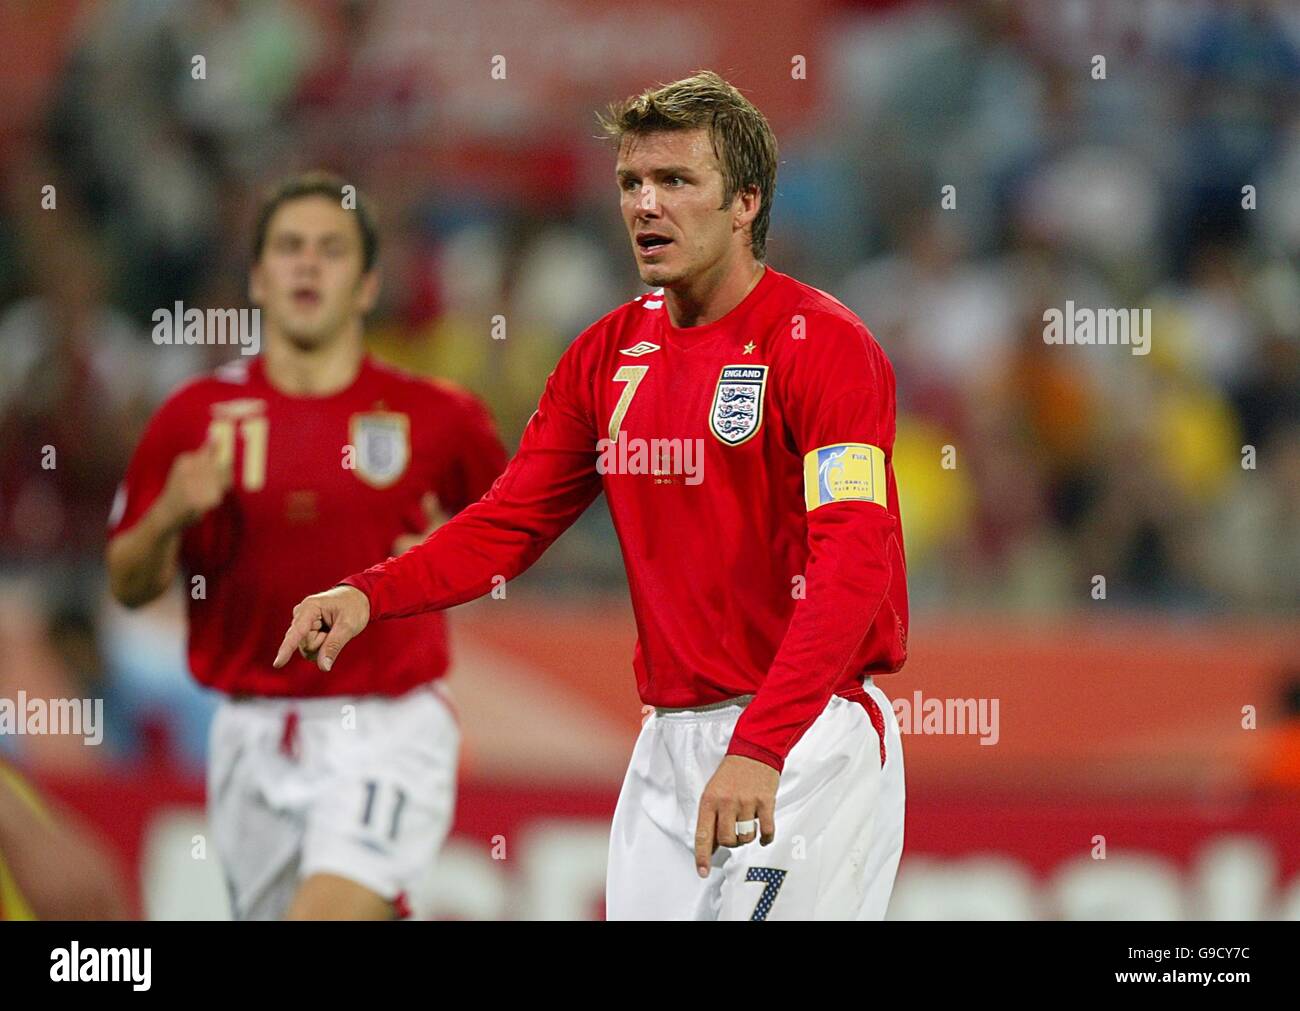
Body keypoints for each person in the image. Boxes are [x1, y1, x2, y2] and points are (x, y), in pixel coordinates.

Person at [277, 73, 909, 921]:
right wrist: (369, 590)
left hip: (805, 735)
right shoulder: (606, 356)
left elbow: (856, 557)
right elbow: (508, 522)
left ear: (746, 202)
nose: (647, 205)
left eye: (677, 182)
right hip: (667, 748)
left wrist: (764, 743)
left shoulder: (824, 346)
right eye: (631, 184)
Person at [107, 172, 506, 920]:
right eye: (289, 247)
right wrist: (168, 513)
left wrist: (448, 556)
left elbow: (518, 532)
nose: (308, 265)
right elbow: (127, 581)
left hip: (387, 724)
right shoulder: (193, 417)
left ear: (366, 285)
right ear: (258, 276)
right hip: (248, 733)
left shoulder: (438, 418)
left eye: (332, 249)